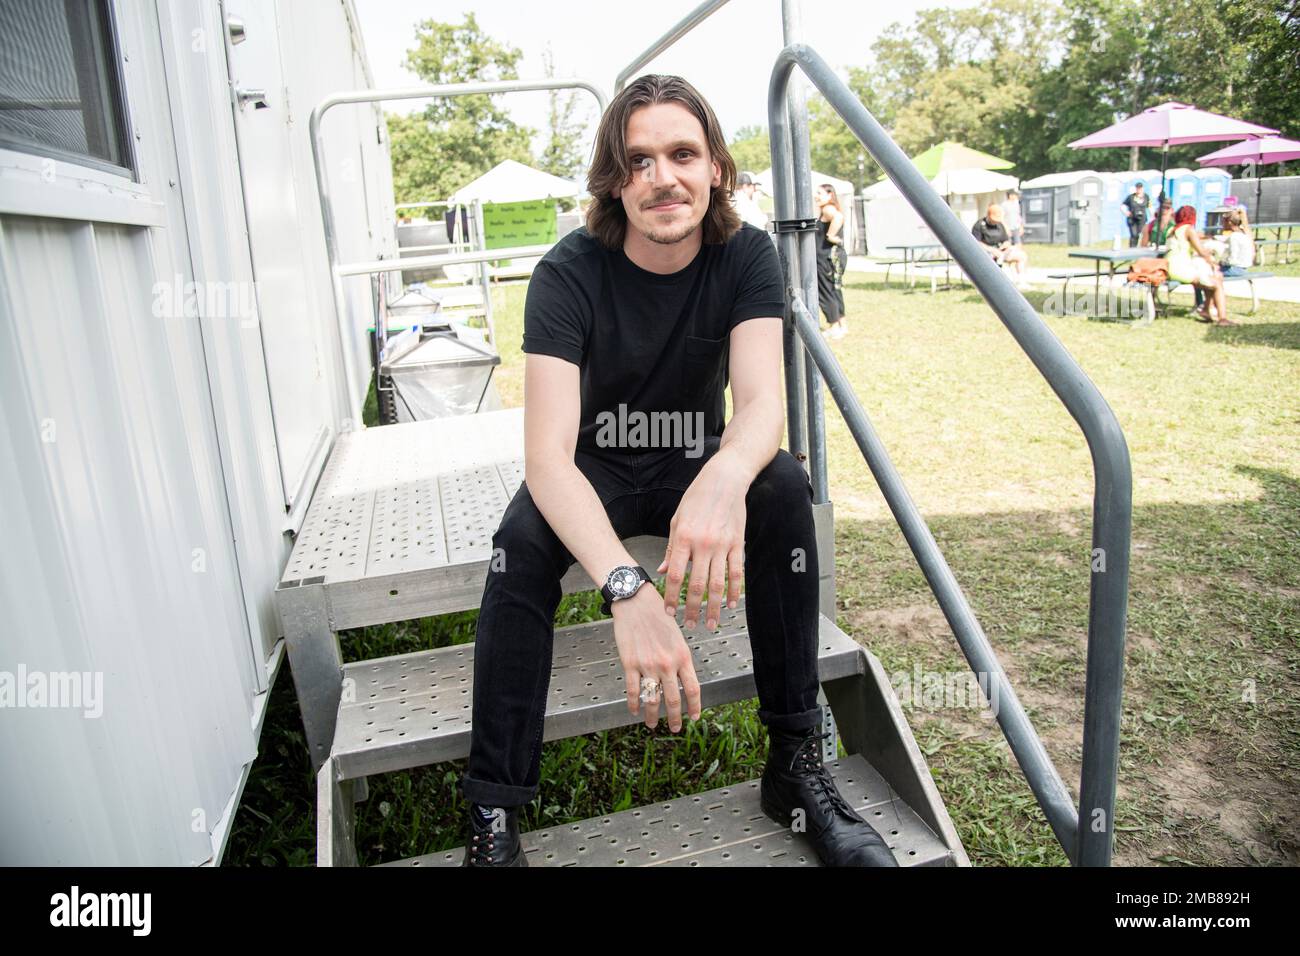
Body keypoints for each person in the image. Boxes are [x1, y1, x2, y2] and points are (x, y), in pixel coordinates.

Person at [458, 74, 898, 868]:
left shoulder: (746, 255)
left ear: (717, 168)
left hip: (696, 460)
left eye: (683, 153)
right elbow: (546, 457)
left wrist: (726, 475)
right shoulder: (567, 274)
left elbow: (765, 404)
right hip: (593, 467)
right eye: (639, 160)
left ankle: (795, 765)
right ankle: (494, 809)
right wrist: (628, 588)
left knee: (784, 487)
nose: (663, 177)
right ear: (613, 181)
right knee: (518, 545)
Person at [1166, 204, 1234, 325]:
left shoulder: (1172, 230)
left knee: (1209, 281)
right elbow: (1201, 251)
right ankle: (1222, 318)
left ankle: (1206, 310)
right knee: (1217, 283)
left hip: (1171, 266)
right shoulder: (1189, 229)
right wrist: (1213, 264)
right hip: (1182, 269)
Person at [814, 183, 850, 339]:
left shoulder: (828, 209)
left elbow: (838, 217)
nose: (816, 196)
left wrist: (831, 235)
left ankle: (834, 325)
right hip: (833, 257)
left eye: (819, 193)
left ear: (830, 195)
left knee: (825, 291)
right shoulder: (827, 208)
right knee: (835, 290)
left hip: (827, 258)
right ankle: (842, 324)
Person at [971, 203, 1029, 283]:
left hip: (1001, 252)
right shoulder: (979, 225)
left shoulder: (1000, 225)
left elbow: (1006, 240)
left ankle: (1021, 281)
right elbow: (976, 242)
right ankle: (993, 281)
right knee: (994, 258)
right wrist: (991, 250)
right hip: (987, 253)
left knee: (1021, 256)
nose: (996, 222)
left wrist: (1006, 245)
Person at [1123, 182, 1150, 248]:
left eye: (1140, 188)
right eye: (1138, 188)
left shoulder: (1146, 196)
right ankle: (1132, 249)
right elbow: (1123, 205)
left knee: (1140, 234)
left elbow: (1149, 205)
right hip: (1132, 219)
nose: (1139, 189)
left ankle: (1140, 249)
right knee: (1134, 234)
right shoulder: (1131, 197)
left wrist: (1153, 214)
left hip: (1142, 219)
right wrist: (1126, 212)